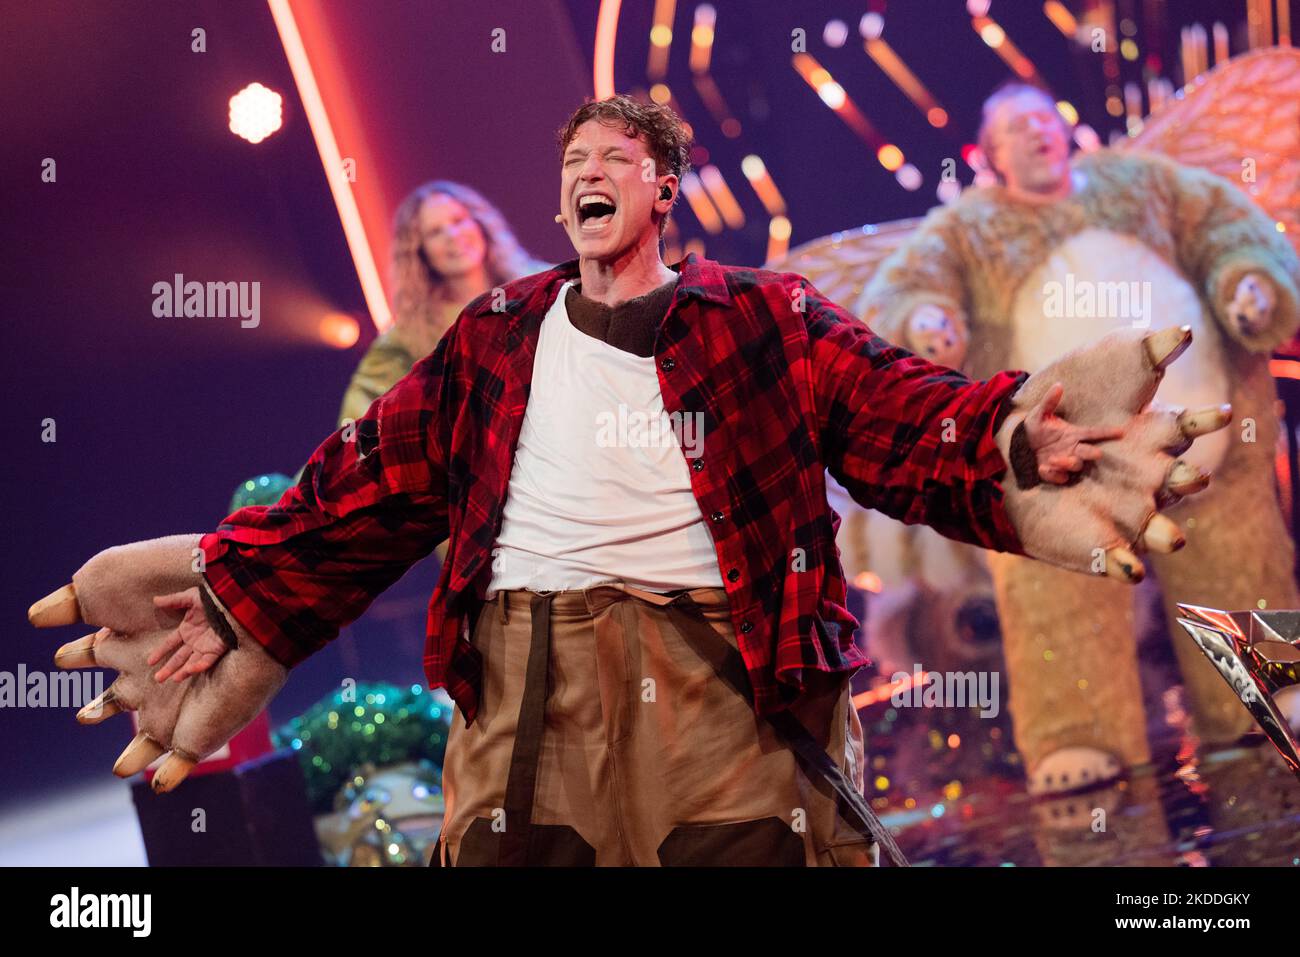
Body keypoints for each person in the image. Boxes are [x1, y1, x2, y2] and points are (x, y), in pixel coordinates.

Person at [31, 95, 1226, 867]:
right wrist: (236, 593)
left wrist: (1013, 441)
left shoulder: (763, 314)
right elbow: (362, 488)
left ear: (663, 190)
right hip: (525, 697)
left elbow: (901, 418)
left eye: (617, 159)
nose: (589, 174)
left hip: (719, 688)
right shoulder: (493, 337)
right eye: (573, 163)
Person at [858, 81, 1300, 795]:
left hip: (1204, 442)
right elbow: (905, 289)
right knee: (1058, 604)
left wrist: (1247, 280)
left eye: (1045, 117)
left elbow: (1225, 227)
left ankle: (1267, 692)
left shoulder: (1142, 183)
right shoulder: (969, 228)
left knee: (1237, 566)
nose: (1038, 132)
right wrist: (925, 321)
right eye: (1017, 128)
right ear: (993, 154)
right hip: (1058, 471)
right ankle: (1081, 734)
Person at [338, 181, 547, 426]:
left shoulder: (543, 285)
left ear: (480, 224)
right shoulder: (410, 334)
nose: (452, 236)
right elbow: (358, 421)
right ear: (419, 251)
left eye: (458, 221)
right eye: (435, 232)